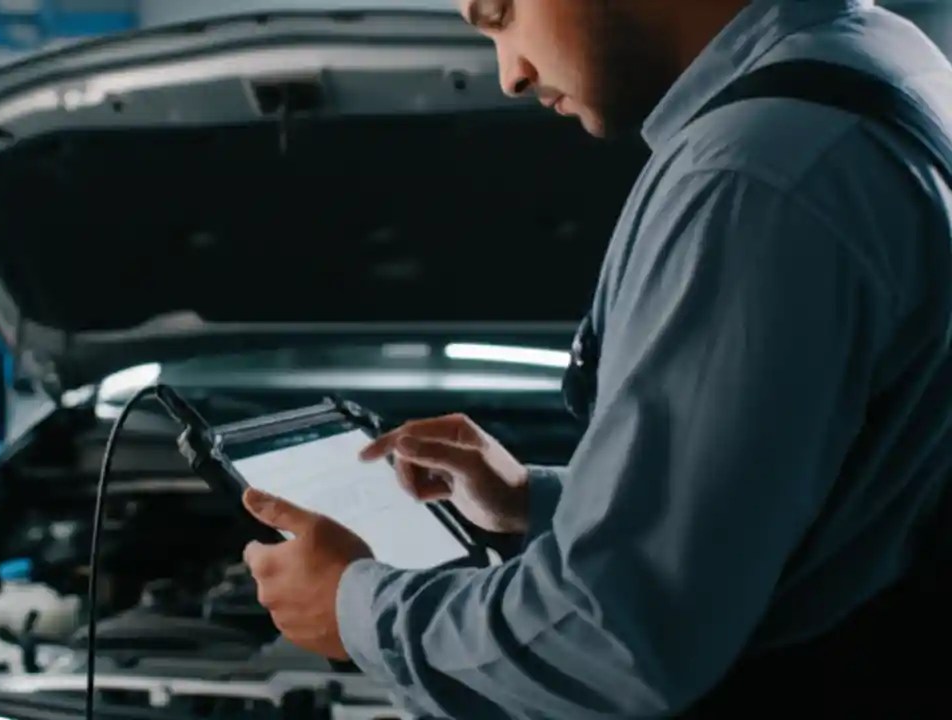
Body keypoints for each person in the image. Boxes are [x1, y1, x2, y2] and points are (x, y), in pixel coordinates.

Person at [240, 0, 952, 717]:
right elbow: (818, 500)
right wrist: (538, 502)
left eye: (500, 14)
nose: (511, 75)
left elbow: (611, 636)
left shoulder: (748, 175)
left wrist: (356, 608)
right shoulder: (879, 62)